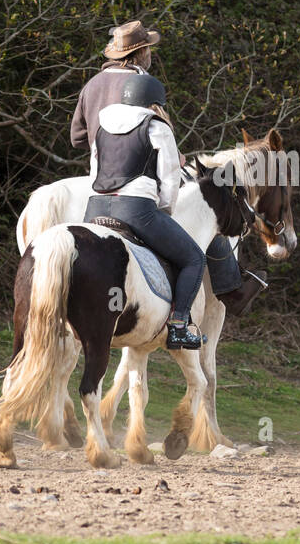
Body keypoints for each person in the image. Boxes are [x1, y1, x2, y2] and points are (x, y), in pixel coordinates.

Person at [71, 20, 265, 316]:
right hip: (137, 191)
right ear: (140, 52)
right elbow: (168, 165)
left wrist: (111, 149)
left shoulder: (91, 84)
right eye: (149, 48)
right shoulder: (141, 85)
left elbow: (77, 138)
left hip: (98, 185)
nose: (151, 54)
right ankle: (226, 290)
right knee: (208, 210)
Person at [84, 74, 208, 351]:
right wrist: (164, 210)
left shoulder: (102, 127)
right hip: (136, 210)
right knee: (194, 258)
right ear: (155, 104)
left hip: (95, 206)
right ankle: (178, 327)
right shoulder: (156, 126)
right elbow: (170, 176)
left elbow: (94, 170)